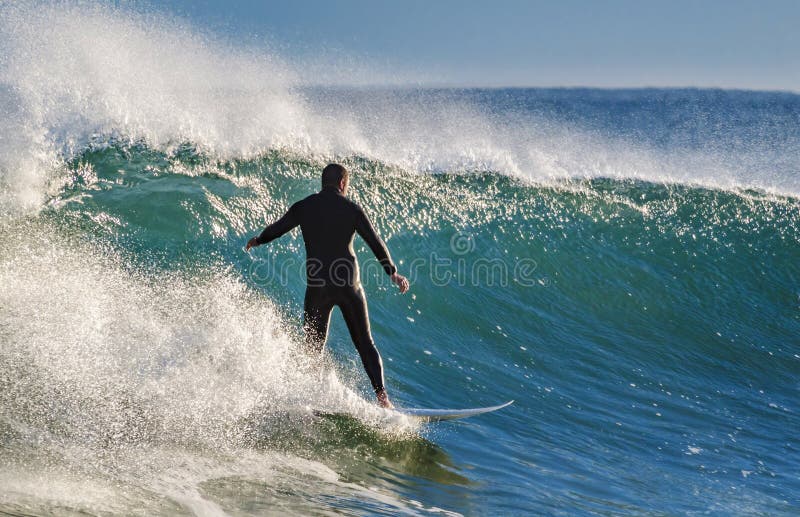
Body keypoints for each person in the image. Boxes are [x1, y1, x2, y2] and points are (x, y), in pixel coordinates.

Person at [246, 163, 409, 408]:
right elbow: (375, 242)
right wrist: (392, 273)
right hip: (349, 285)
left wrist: (259, 240)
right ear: (342, 184)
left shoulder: (304, 206)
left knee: (312, 347)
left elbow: (277, 229)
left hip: (318, 286)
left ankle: (309, 398)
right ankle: (382, 398)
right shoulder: (352, 209)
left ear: (323, 183)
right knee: (365, 344)